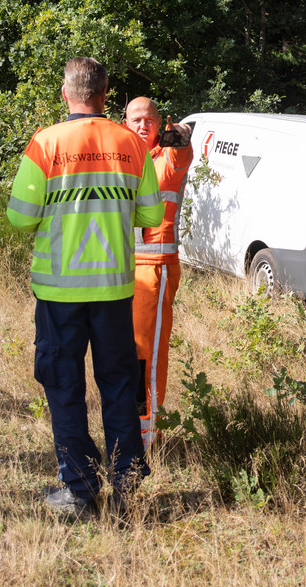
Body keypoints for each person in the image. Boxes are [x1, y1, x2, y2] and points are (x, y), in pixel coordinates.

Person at [7, 58, 164, 519]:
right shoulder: (130, 144)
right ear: (105, 93)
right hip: (114, 289)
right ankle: (126, 481)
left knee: (64, 385)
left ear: (65, 93)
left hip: (59, 293)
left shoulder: (46, 142)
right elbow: (152, 217)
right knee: (118, 383)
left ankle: (78, 488)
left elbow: (19, 216)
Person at [124, 97, 193, 450]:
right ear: (124, 123)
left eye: (150, 119)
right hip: (116, 272)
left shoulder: (166, 157)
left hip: (153, 272)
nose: (143, 125)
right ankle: (125, 425)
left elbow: (181, 155)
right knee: (122, 353)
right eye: (136, 119)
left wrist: (180, 138)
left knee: (145, 356)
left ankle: (145, 434)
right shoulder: (119, 155)